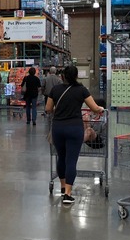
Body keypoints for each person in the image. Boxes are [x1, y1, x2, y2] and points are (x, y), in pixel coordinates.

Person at [45, 65, 105, 204]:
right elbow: (94, 108)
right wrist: (100, 109)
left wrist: (60, 111)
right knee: (71, 160)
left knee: (61, 158)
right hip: (74, 128)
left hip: (58, 128)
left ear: (63, 76)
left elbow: (48, 108)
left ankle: (62, 186)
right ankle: (67, 194)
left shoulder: (55, 90)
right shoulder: (81, 90)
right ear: (76, 76)